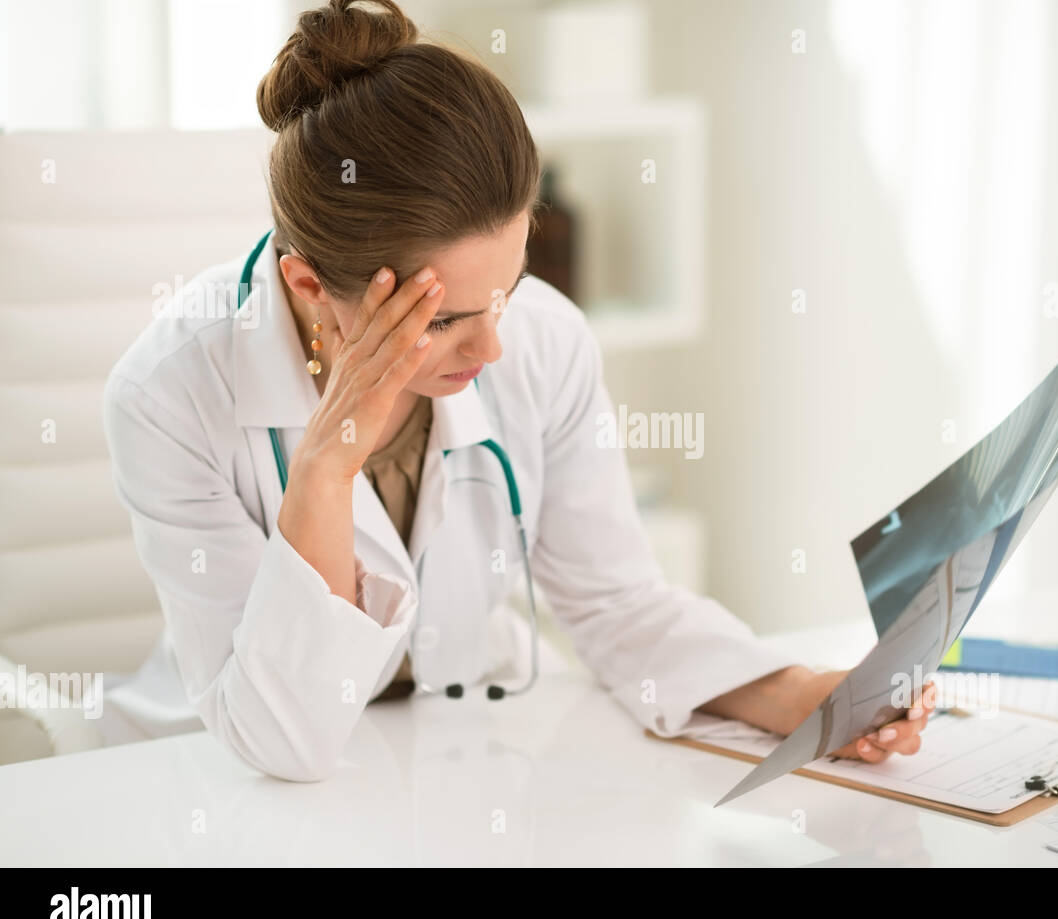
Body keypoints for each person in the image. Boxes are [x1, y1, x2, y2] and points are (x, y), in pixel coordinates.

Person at [101, 0, 933, 781]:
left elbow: (616, 604)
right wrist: (327, 467)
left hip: (448, 751)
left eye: (509, 286)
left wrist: (801, 693)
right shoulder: (169, 394)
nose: (495, 345)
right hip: (213, 780)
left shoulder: (543, 337)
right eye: (442, 319)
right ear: (311, 285)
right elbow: (285, 740)